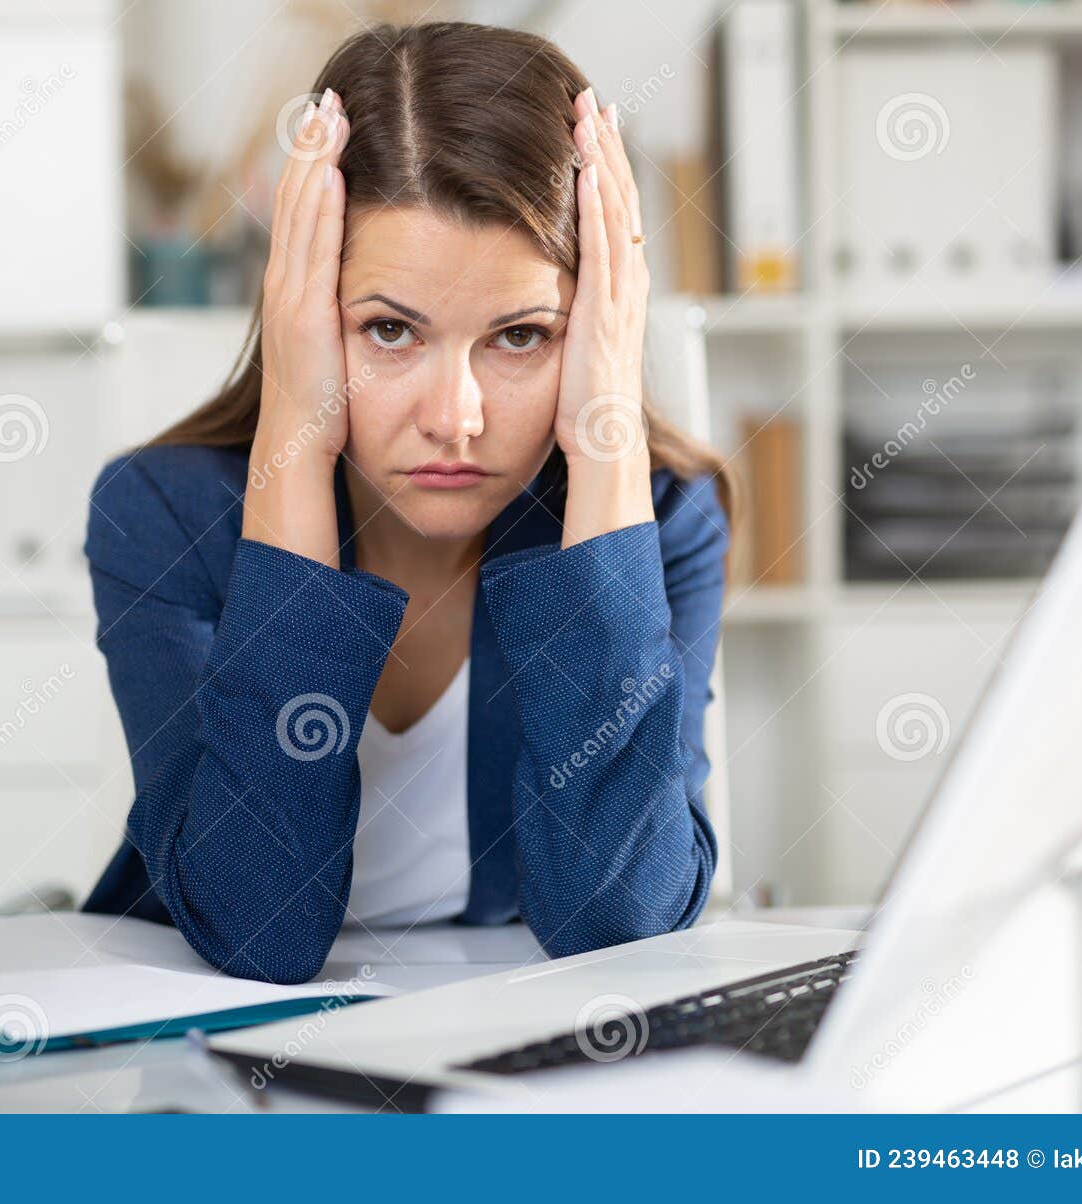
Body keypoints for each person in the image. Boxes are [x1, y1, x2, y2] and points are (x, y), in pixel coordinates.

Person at [82, 21, 732, 984]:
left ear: (597, 326)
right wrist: (297, 436)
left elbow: (618, 920)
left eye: (521, 336)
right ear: (305, 315)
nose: (455, 418)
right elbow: (255, 927)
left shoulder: (661, 519)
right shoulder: (161, 516)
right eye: (389, 329)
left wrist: (605, 431)